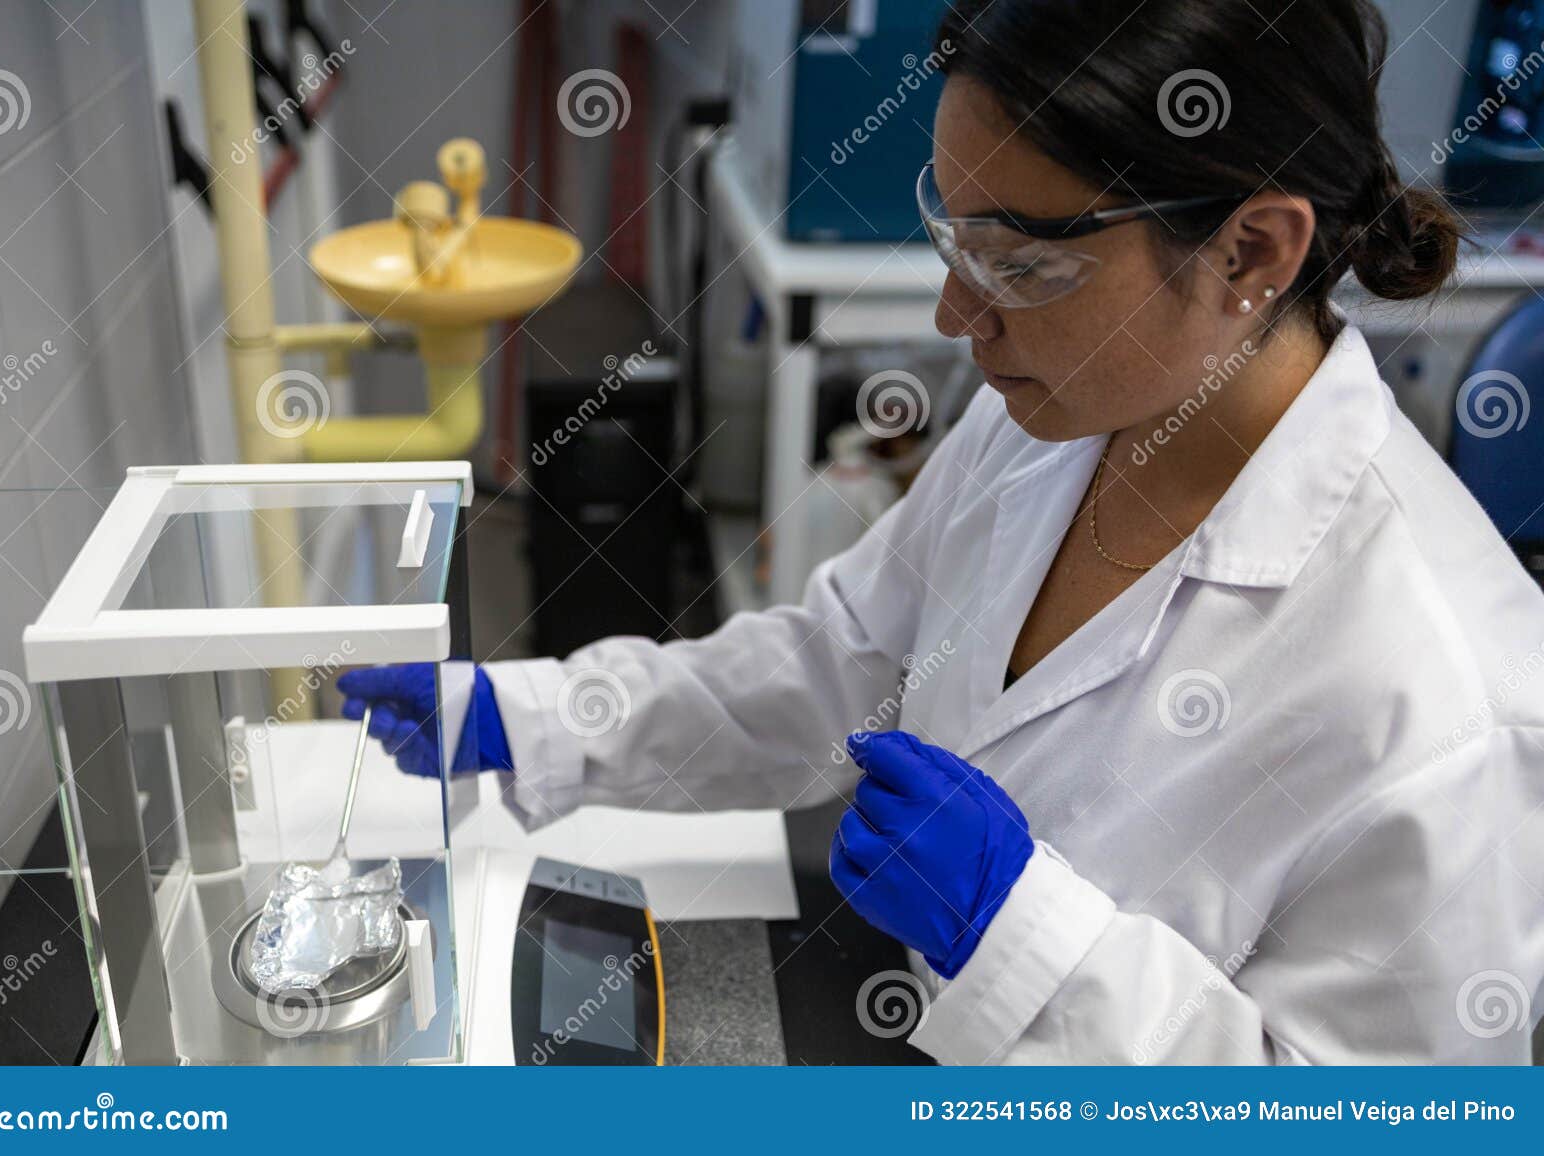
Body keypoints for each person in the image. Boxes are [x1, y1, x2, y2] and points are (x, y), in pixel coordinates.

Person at [339, 0, 1544, 1063]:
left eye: (1021, 263)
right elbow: (839, 664)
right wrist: (531, 718)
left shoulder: (1453, 706)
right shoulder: (1059, 417)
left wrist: (1022, 934)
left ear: (1251, 249)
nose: (956, 311)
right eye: (955, 234)